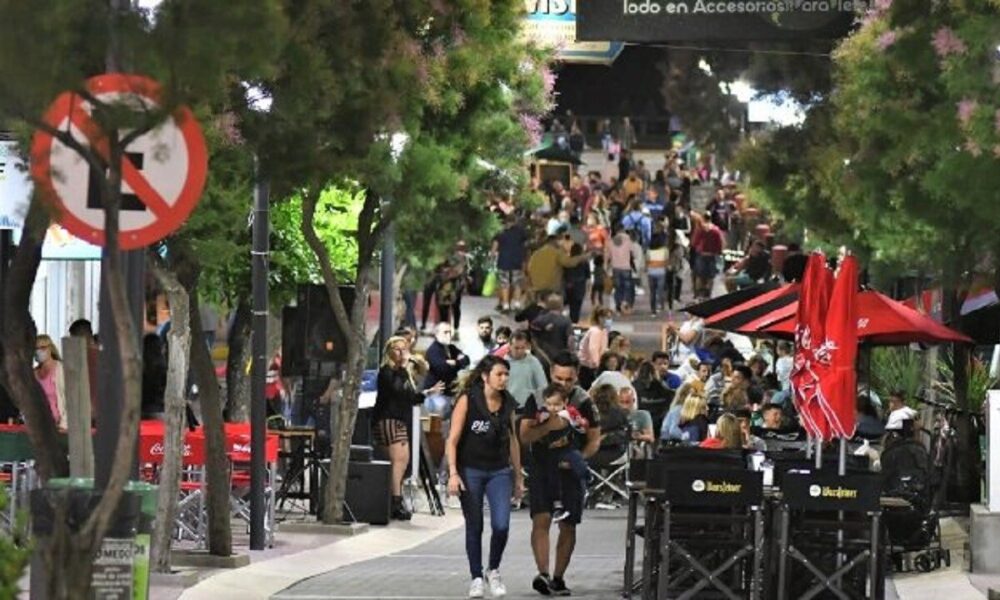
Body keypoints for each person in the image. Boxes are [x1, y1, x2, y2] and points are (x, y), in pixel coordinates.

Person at [519, 353, 601, 596]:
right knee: (541, 519)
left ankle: (558, 578)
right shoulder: (537, 398)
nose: (563, 384)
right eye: (558, 378)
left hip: (569, 467)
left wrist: (578, 460)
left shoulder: (584, 400)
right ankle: (543, 574)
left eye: (569, 379)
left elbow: (594, 438)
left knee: (568, 524)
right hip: (542, 465)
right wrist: (549, 426)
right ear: (550, 374)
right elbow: (524, 436)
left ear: (576, 376)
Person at [446, 355, 523, 598]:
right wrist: (453, 473)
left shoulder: (508, 403)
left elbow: (513, 441)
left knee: (501, 525)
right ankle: (476, 576)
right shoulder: (469, 400)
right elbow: (453, 440)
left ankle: (494, 569)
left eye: (506, 374)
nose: (504, 379)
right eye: (499, 374)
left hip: (499, 470)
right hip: (471, 470)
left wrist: (518, 478)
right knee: (475, 524)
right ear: (485, 376)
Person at [375, 336, 445, 520]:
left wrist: (427, 393)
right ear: (389, 351)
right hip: (388, 418)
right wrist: (405, 368)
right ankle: (395, 501)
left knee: (402, 461)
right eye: (397, 349)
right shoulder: (387, 372)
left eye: (403, 349)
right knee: (399, 460)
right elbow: (397, 391)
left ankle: (395, 499)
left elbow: (410, 395)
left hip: (398, 418)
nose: (401, 353)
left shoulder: (401, 372)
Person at [533, 384, 590, 523]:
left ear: (564, 402)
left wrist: (581, 423)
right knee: (553, 474)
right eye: (549, 404)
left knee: (577, 460)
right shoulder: (542, 414)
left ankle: (587, 479)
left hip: (567, 447)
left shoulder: (570, 412)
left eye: (556, 405)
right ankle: (557, 504)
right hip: (551, 450)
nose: (552, 408)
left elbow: (581, 426)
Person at [423, 323, 470, 420]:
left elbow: (466, 360)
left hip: (450, 394)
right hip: (437, 395)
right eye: (445, 332)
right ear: (436, 334)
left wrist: (455, 363)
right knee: (438, 427)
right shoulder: (433, 351)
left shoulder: (451, 348)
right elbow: (443, 369)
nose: (448, 335)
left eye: (449, 332)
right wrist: (456, 364)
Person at [492, 215, 529, 313]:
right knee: (517, 283)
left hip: (503, 261)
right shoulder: (521, 232)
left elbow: (494, 247)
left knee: (505, 284)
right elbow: (525, 246)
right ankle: (516, 304)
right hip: (517, 261)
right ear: (515, 221)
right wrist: (525, 259)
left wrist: (492, 257)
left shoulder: (500, 232)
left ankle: (505, 305)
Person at [506, 331, 548, 412]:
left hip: (527, 407)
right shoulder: (503, 362)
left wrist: (542, 408)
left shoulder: (533, 361)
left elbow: (542, 385)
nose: (520, 351)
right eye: (516, 348)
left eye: (522, 348)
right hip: (508, 407)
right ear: (510, 346)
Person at [34, 334, 66, 430]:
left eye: (43, 347)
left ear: (50, 348)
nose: (39, 351)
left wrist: (63, 424)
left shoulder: (61, 370)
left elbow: (68, 399)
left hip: (59, 425)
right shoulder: (33, 373)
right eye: (36, 348)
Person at [577, 307, 613, 390]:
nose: (609, 320)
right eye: (607, 318)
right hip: (589, 369)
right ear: (600, 318)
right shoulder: (595, 332)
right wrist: (598, 366)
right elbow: (593, 350)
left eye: (610, 318)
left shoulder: (603, 331)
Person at [563, 243, 590, 324]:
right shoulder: (584, 262)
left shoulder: (568, 261)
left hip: (569, 286)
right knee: (577, 307)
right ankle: (574, 322)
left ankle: (570, 321)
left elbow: (564, 274)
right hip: (580, 286)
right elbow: (588, 275)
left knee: (571, 304)